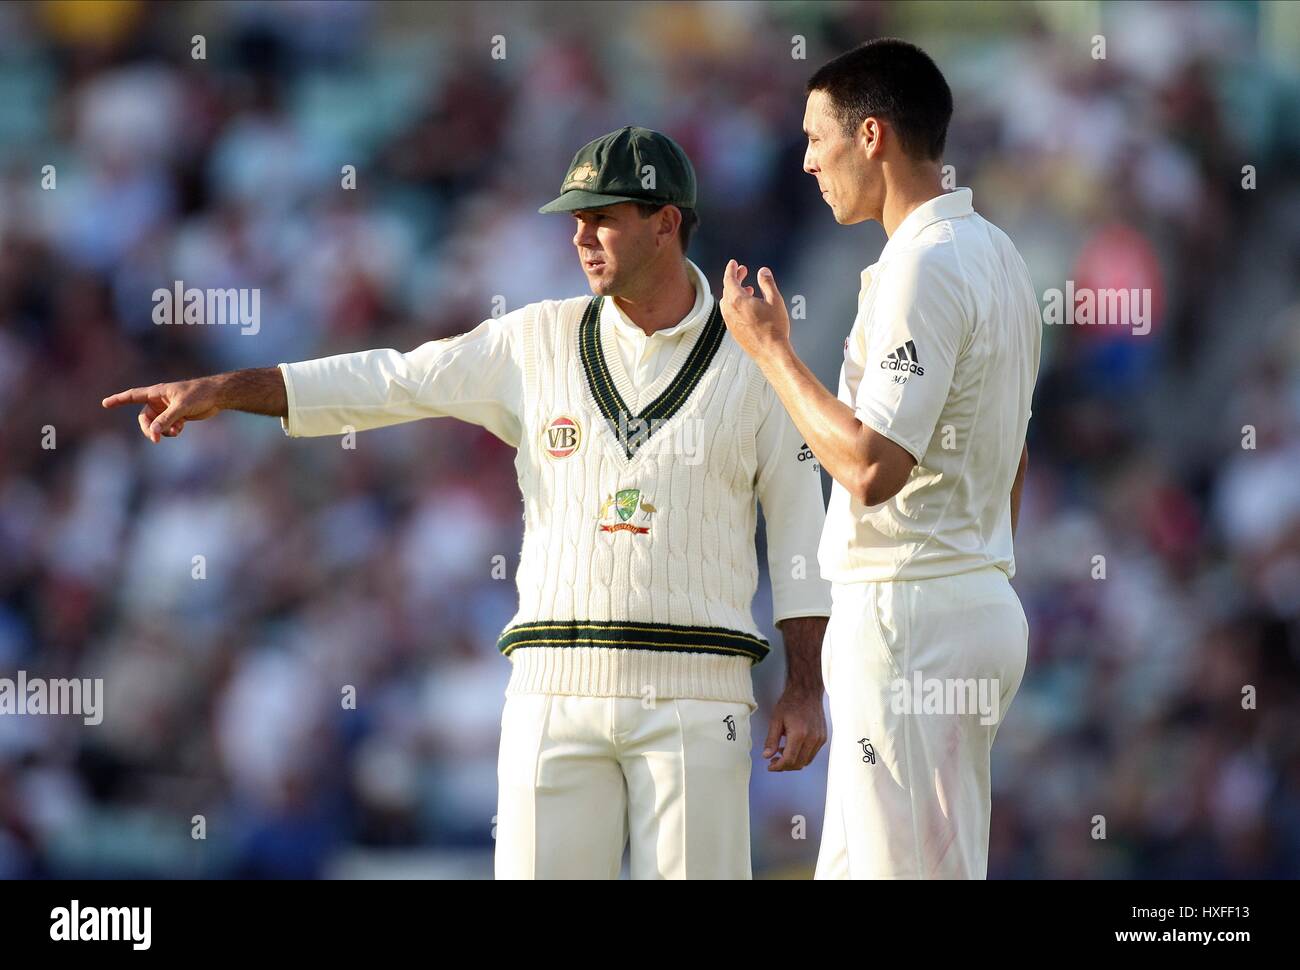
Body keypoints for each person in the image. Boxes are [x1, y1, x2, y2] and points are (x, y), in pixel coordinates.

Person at [103, 126, 832, 880]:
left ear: (666, 220)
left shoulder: (758, 352)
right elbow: (394, 379)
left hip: (698, 685)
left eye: (602, 217)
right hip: (554, 685)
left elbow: (800, 529)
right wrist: (225, 390)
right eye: (574, 220)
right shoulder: (533, 340)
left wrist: (805, 687)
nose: (580, 237)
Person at [718, 40, 1041, 879]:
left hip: (911, 615)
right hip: (964, 603)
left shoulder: (922, 268)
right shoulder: (998, 256)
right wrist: (969, 570)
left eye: (815, 138)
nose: (806, 161)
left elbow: (868, 468)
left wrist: (770, 352)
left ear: (871, 136)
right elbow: (1012, 459)